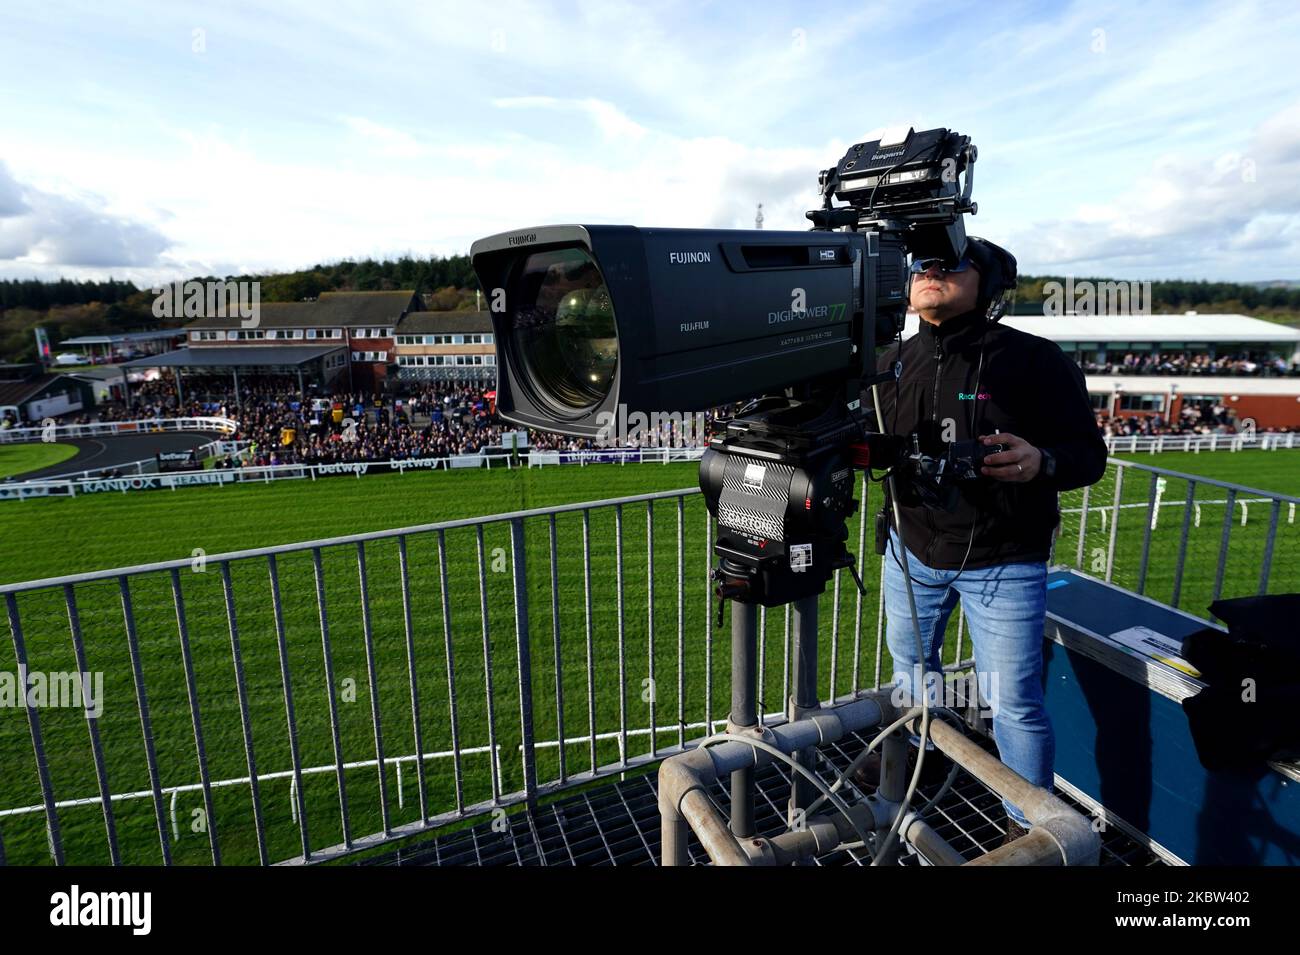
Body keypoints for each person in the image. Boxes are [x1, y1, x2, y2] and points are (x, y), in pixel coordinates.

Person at [863, 236, 1108, 847]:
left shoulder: (1036, 360)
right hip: (908, 550)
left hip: (1004, 559)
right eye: (918, 264)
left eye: (949, 261)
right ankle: (921, 763)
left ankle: (1027, 830)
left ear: (990, 283)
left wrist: (1042, 460)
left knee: (1013, 703)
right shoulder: (887, 360)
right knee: (913, 672)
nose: (928, 270)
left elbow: (1089, 457)